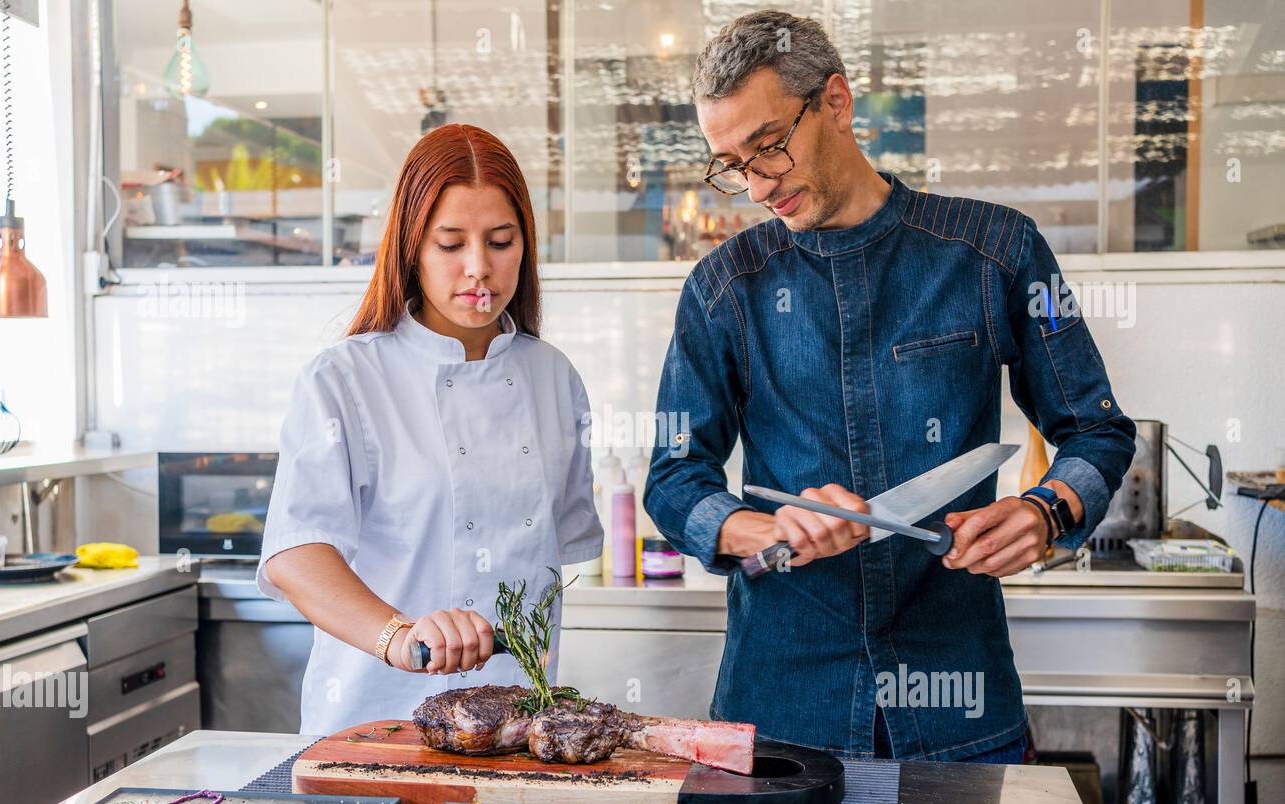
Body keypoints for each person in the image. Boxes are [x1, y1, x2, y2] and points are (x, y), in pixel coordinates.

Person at [645, 11, 1137, 763]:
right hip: (782, 703)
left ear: (836, 102)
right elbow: (675, 480)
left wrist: (1048, 509)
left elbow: (1096, 428)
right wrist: (769, 531)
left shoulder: (996, 252)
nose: (756, 182)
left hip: (958, 703)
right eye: (730, 163)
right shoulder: (722, 290)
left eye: (769, 144)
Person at [257, 124, 602, 735]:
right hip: (374, 721)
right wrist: (399, 635)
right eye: (450, 244)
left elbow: (561, 551)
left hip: (516, 728)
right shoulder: (345, 378)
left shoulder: (554, 379)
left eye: (501, 241)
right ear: (410, 249)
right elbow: (296, 553)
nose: (479, 269)